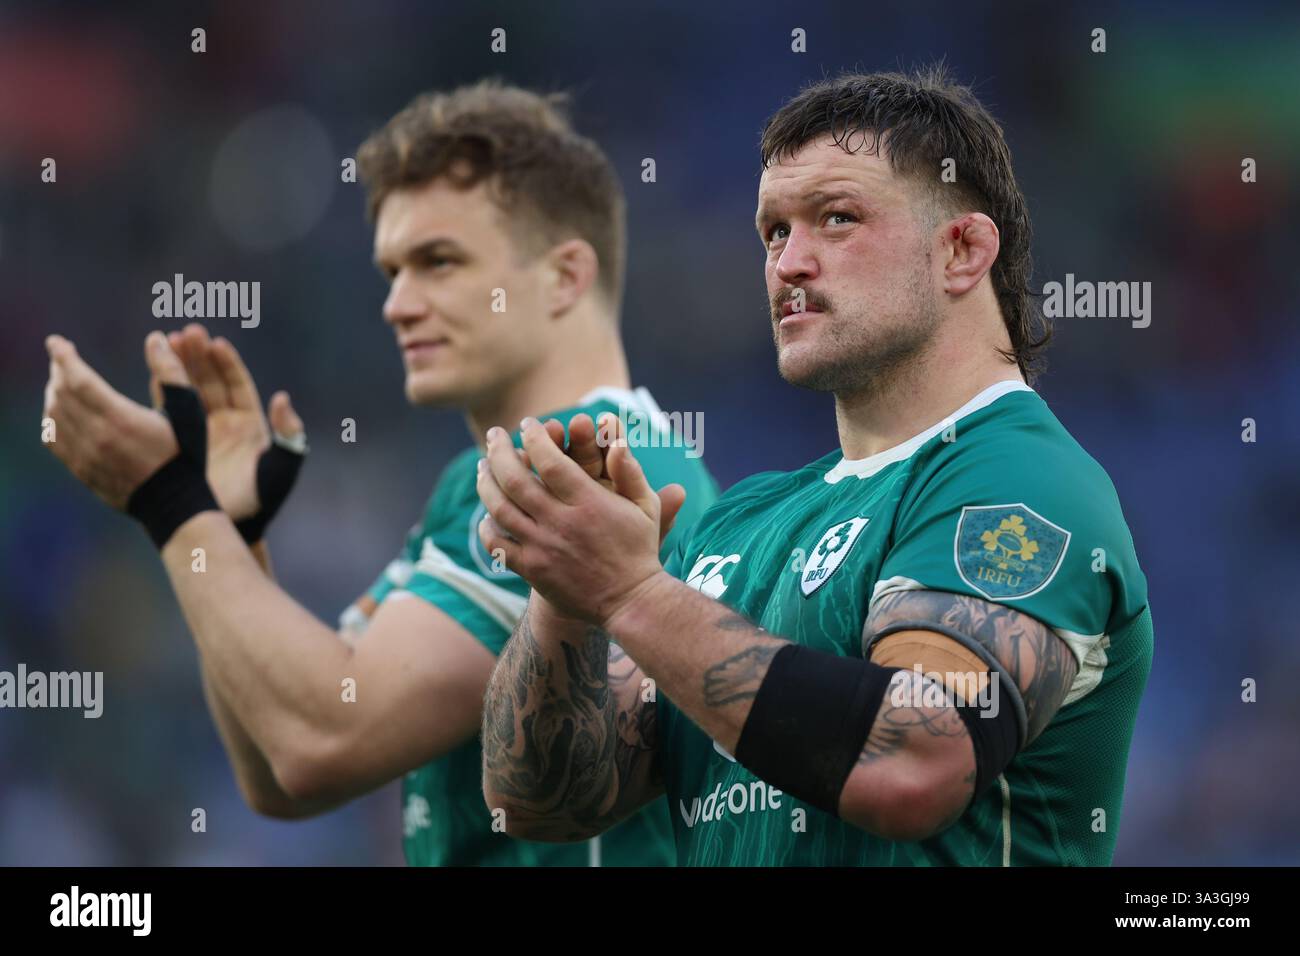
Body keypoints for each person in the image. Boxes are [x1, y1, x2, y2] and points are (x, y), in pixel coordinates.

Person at [477, 67, 1153, 866]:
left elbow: (911, 762)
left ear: (963, 250)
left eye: (836, 219)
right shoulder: (742, 520)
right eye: (773, 232)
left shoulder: (1021, 478)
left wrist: (629, 591)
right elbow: (542, 800)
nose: (788, 264)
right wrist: (567, 598)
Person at [41, 80, 718, 866]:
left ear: (565, 276)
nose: (397, 303)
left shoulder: (560, 473)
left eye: (438, 261)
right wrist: (228, 536)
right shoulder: (644, 458)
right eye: (392, 270)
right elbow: (281, 780)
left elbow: (321, 739)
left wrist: (169, 503)